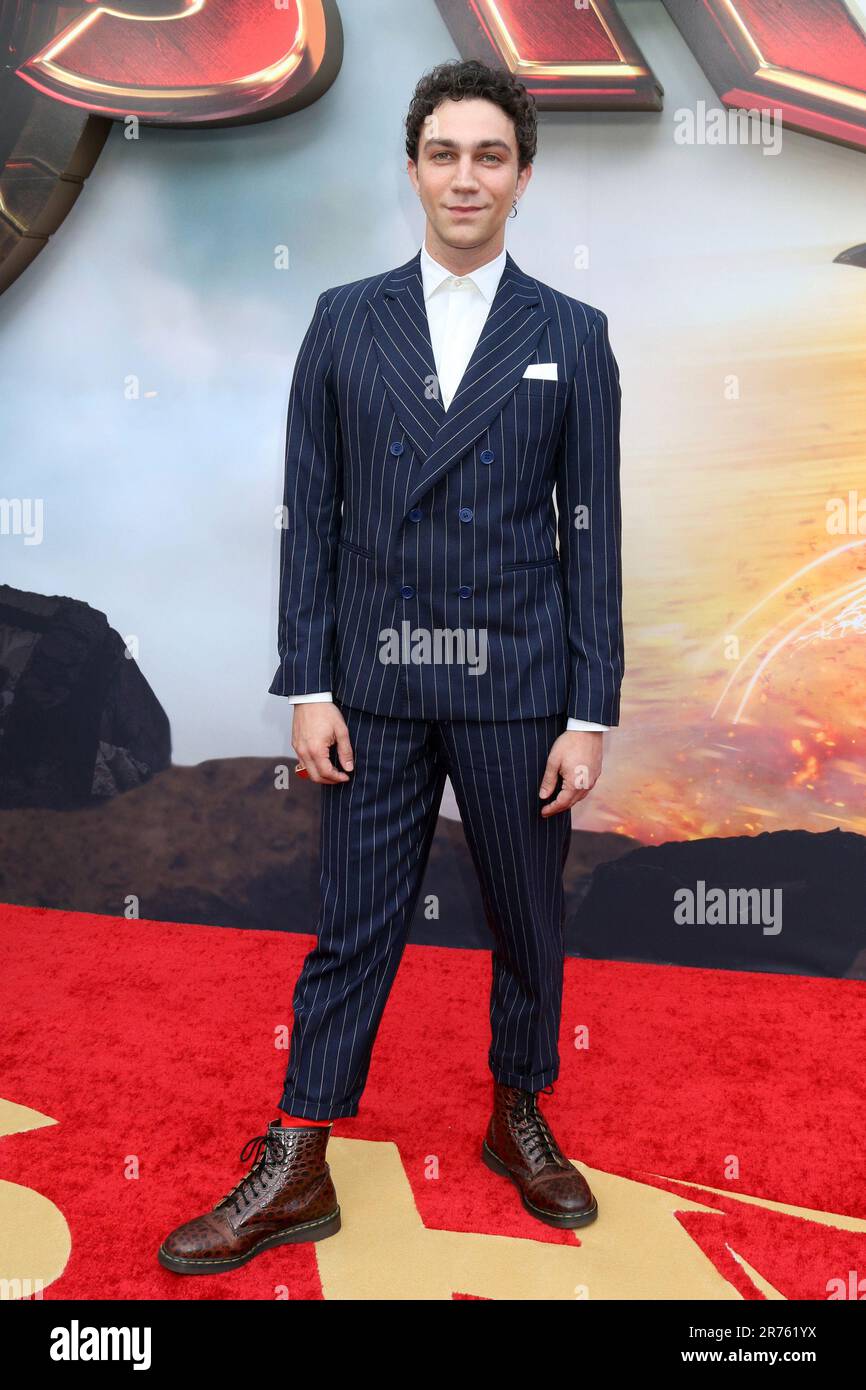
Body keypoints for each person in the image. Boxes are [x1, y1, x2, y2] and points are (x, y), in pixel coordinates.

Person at [158, 56, 623, 1275]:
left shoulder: (573, 337)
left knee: (526, 918)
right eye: (442, 153)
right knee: (351, 925)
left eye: (488, 156)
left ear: (522, 177)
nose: (463, 176)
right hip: (371, 684)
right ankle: (299, 1151)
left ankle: (516, 1108)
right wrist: (306, 682)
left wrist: (591, 708)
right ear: (412, 167)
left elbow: (594, 532)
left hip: (520, 683)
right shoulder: (342, 318)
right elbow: (307, 512)